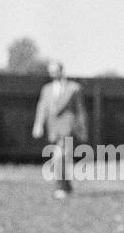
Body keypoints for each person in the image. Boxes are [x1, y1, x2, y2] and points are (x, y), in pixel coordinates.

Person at [32, 61, 87, 198]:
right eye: (50, 71)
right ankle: (67, 187)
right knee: (61, 158)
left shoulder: (74, 88)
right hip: (53, 129)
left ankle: (61, 188)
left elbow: (80, 110)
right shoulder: (46, 89)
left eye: (55, 70)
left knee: (59, 157)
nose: (52, 73)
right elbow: (42, 108)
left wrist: (83, 129)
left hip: (69, 129)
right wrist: (38, 125)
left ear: (62, 71)